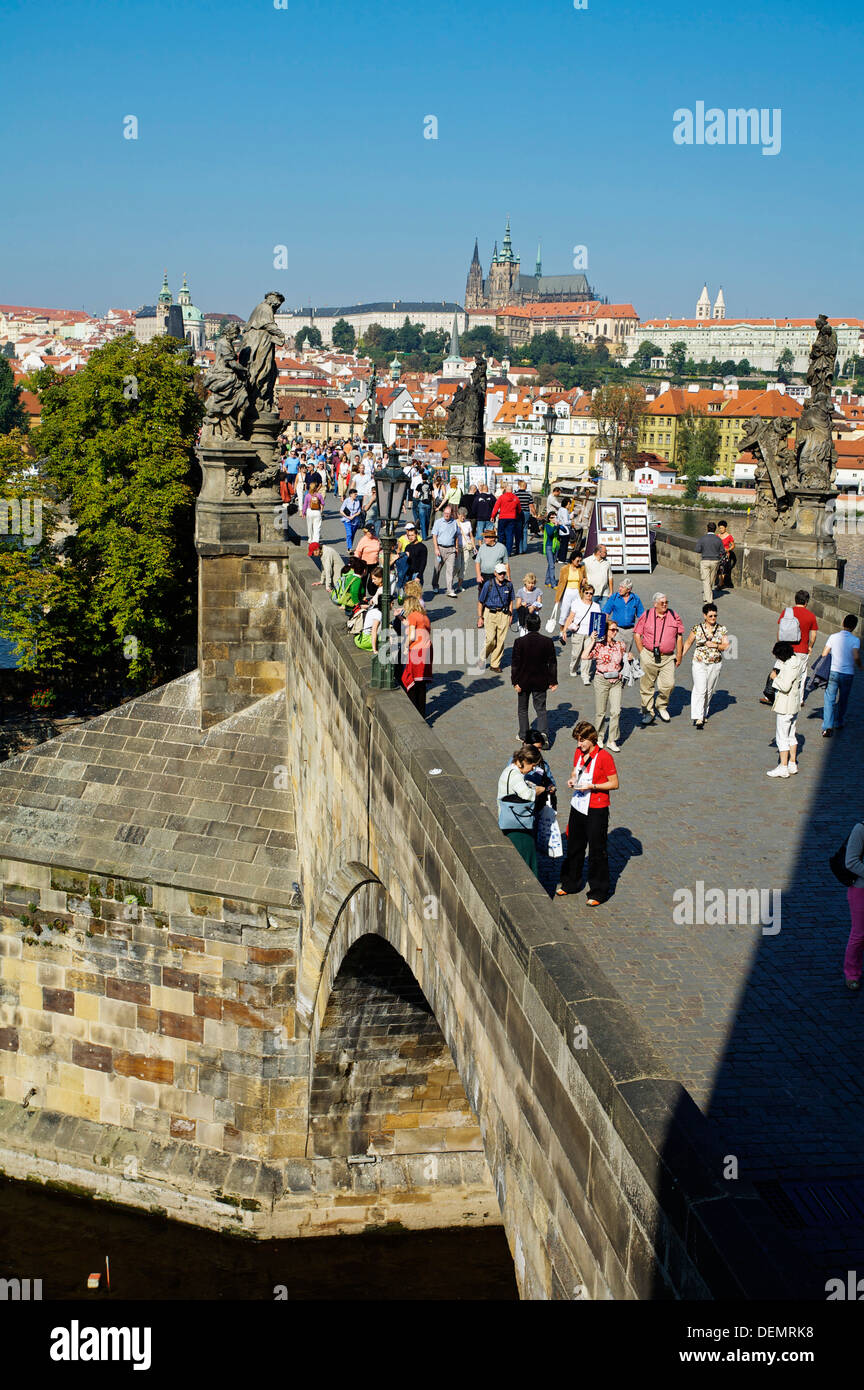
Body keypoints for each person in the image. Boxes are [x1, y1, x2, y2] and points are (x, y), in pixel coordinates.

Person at [557, 721, 619, 906]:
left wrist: (593, 786)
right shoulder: (579, 753)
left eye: (582, 740)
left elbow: (614, 783)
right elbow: (575, 771)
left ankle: (598, 891)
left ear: (592, 739)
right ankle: (570, 882)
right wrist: (572, 779)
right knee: (574, 845)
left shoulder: (605, 757)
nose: (579, 744)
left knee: (596, 850)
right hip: (578, 804)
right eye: (577, 740)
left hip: (596, 808)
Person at [633, 593, 684, 725]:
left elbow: (679, 636)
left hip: (667, 657)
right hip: (649, 655)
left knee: (669, 684)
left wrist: (679, 655)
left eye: (666, 602)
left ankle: (661, 705)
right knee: (646, 686)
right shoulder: (647, 615)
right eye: (662, 603)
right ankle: (648, 712)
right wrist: (642, 653)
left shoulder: (674, 616)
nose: (665, 605)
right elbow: (637, 634)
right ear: (655, 604)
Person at [511, 612, 558, 746]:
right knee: (541, 709)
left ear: (526, 625)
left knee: (523, 709)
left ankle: (524, 735)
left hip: (523, 682)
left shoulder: (519, 642)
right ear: (539, 625)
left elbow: (515, 664)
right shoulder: (547, 642)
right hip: (541, 681)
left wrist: (515, 682)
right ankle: (543, 734)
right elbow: (552, 663)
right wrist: (553, 681)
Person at [497, 746, 544, 876]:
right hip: (517, 823)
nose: (533, 769)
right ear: (525, 762)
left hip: (507, 819)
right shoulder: (516, 775)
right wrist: (539, 790)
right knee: (527, 858)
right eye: (532, 765)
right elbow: (527, 795)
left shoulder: (509, 770)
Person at [682, 602, 730, 729]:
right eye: (710, 616)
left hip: (715, 663)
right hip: (699, 662)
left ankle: (704, 713)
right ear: (704, 616)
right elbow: (688, 643)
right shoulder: (697, 628)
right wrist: (679, 656)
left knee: (709, 690)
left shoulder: (721, 629)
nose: (713, 618)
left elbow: (726, 646)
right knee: (700, 689)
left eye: (715, 616)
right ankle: (698, 717)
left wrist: (715, 645)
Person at [584, 618, 627, 751]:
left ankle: (612, 740)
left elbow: (623, 661)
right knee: (601, 712)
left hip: (616, 681)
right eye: (612, 629)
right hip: (601, 680)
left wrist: (629, 657)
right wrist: (592, 641)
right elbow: (585, 656)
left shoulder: (620, 645)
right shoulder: (598, 645)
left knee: (616, 711)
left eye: (616, 630)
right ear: (606, 630)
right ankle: (599, 737)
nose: (615, 632)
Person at [776, 588, 819, 706]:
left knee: (783, 671)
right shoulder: (811, 616)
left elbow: (780, 630)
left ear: (795, 600)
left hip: (786, 648)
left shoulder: (786, 612)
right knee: (801, 675)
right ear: (806, 602)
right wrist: (810, 646)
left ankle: (781, 694)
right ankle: (799, 699)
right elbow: (813, 634)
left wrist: (780, 644)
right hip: (802, 650)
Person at [820, 614, 861, 737]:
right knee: (843, 699)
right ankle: (839, 721)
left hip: (833, 671)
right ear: (854, 627)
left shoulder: (833, 637)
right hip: (847, 673)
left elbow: (824, 653)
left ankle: (827, 726)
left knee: (829, 699)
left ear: (843, 623)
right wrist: (860, 666)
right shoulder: (855, 640)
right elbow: (856, 656)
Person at [766, 640, 801, 777]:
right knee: (791, 734)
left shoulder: (788, 667)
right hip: (794, 704)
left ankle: (783, 766)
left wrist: (775, 678)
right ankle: (792, 763)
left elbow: (785, 686)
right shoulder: (796, 660)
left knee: (782, 737)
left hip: (785, 705)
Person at [560, 582, 601, 684]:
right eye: (587, 593)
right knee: (576, 654)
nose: (589, 595)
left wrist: (598, 634)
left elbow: (598, 621)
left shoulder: (596, 606)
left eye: (591, 593)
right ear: (582, 593)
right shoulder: (576, 603)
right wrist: (564, 630)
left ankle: (585, 675)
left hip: (590, 634)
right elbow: (570, 617)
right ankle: (573, 668)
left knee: (587, 655)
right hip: (578, 632)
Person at [478, 562, 515, 674]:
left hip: (503, 614)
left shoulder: (509, 585)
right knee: (490, 640)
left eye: (503, 573)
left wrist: (511, 615)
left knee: (500, 640)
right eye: (500, 573)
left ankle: (495, 664)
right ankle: (482, 658)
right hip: (490, 613)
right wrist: (480, 617)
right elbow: (480, 602)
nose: (502, 575)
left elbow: (511, 601)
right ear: (495, 573)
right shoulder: (488, 585)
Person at [400, 595, 432, 716]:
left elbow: (412, 636)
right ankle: (421, 711)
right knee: (421, 682)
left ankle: (413, 711)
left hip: (417, 650)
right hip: (427, 649)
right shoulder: (425, 617)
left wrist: (405, 646)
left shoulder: (413, 615)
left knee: (411, 678)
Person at [843, 822, 864, 991]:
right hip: (860, 889)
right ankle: (852, 973)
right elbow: (851, 862)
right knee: (859, 934)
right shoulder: (860, 829)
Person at [601, 578, 644, 652]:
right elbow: (606, 613)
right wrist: (603, 629)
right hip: (617, 630)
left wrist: (641, 630)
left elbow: (641, 616)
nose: (619, 589)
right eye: (619, 586)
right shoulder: (614, 597)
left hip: (630, 631)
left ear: (629, 589)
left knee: (626, 654)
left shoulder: (635, 598)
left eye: (622, 587)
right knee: (616, 652)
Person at [431, 503, 462, 597]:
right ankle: (435, 585)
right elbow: (434, 535)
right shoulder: (438, 522)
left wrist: (456, 547)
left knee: (450, 569)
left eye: (448, 513)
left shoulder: (454, 523)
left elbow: (456, 536)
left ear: (452, 514)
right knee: (437, 569)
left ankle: (450, 589)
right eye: (445, 513)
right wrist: (436, 548)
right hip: (440, 548)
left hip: (451, 549)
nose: (446, 515)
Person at [696, 522, 725, 602]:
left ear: (707, 528)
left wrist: (704, 550)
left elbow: (697, 550)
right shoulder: (718, 539)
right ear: (715, 530)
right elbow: (722, 551)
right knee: (711, 581)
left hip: (705, 560)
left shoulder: (702, 538)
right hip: (715, 561)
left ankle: (709, 600)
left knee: (706, 581)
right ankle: (706, 596)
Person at [491, 483, 522, 556]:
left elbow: (496, 507)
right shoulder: (516, 498)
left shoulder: (502, 497)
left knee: (500, 534)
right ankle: (508, 552)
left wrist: (492, 516)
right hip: (512, 518)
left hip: (502, 517)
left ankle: (500, 551)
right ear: (512, 490)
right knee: (510, 535)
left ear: (506, 490)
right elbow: (519, 509)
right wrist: (517, 514)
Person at [454, 506, 476, 592]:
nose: (463, 518)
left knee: (464, 566)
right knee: (457, 566)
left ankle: (459, 585)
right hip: (458, 547)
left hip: (466, 547)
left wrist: (474, 547)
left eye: (464, 516)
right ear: (458, 515)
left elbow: (471, 536)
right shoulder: (455, 523)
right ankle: (450, 583)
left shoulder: (468, 523)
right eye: (461, 516)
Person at [302, 480, 324, 552]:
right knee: (317, 526)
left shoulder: (307, 495)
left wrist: (303, 513)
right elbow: (322, 503)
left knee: (309, 525)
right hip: (317, 511)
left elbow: (305, 504)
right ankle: (316, 540)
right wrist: (321, 510)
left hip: (309, 511)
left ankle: (310, 538)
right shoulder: (319, 495)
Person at [514, 481, 536, 554]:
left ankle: (519, 549)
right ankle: (524, 548)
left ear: (519, 486)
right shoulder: (528, 495)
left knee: (518, 530)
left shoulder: (515, 494)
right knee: (525, 530)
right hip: (526, 512)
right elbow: (531, 506)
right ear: (525, 487)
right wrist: (535, 514)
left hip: (518, 513)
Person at [541, 511, 560, 587]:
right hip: (549, 546)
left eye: (555, 517)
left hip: (555, 547)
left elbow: (565, 531)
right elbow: (550, 533)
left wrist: (560, 525)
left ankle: (547, 581)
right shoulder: (547, 525)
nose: (553, 519)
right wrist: (555, 526)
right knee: (552, 565)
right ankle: (553, 583)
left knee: (551, 564)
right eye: (552, 517)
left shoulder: (556, 525)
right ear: (549, 519)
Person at [716, 520, 736, 588]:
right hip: (718, 555)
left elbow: (733, 545)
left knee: (723, 569)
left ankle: (720, 584)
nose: (721, 529)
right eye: (720, 528)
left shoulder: (729, 536)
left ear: (725, 528)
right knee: (719, 569)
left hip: (725, 555)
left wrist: (728, 549)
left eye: (722, 528)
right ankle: (720, 582)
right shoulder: (717, 536)